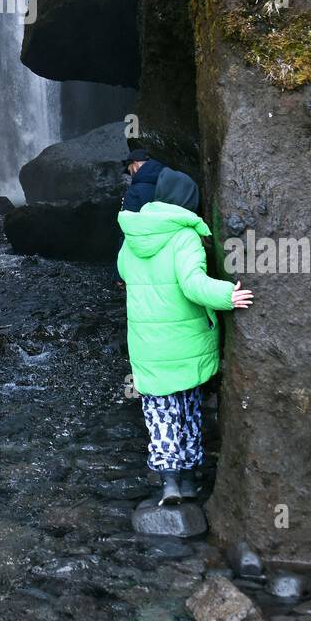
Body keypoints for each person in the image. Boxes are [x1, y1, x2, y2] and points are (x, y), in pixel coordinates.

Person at [116, 166, 254, 505]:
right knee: (188, 412)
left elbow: (122, 271)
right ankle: (191, 480)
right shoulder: (185, 236)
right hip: (187, 346)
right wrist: (227, 296)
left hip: (149, 350)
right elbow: (193, 285)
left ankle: (170, 483)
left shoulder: (133, 238)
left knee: (160, 415)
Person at [120, 147, 163, 212]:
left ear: (135, 165)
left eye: (129, 170)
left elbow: (128, 219)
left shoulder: (134, 192)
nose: (130, 175)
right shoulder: (170, 180)